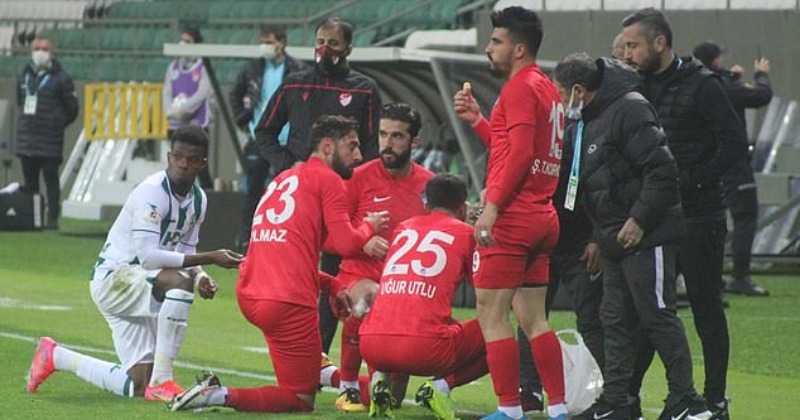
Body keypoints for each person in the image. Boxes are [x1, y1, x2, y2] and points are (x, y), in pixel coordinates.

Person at [168, 115, 389, 414]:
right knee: (299, 400)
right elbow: (346, 243)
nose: (359, 155)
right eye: (352, 146)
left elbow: (288, 252)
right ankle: (217, 394)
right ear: (327, 146)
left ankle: (323, 370)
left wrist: (332, 284)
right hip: (286, 302)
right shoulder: (329, 180)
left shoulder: (283, 179)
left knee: (305, 367)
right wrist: (369, 226)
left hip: (252, 292)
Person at [27, 126, 244, 401]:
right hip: (114, 279)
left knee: (139, 386)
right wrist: (211, 258)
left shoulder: (199, 200)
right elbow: (149, 257)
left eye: (191, 159)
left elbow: (186, 250)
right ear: (168, 157)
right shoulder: (151, 193)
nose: (183, 164)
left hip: (141, 283)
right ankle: (163, 380)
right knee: (179, 281)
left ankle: (55, 356)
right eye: (178, 157)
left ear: (203, 164)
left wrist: (201, 276)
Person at [552, 53, 710, 420]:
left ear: (578, 90)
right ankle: (618, 402)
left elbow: (661, 170)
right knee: (614, 320)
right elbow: (584, 185)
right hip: (612, 238)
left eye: (560, 93)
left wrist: (639, 220)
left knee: (656, 315)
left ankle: (688, 401)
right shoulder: (585, 122)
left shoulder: (630, 108)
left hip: (646, 236)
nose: (559, 103)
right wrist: (597, 234)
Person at [622, 9, 748, 420]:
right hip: (653, 216)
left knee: (705, 308)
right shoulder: (635, 86)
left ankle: (714, 400)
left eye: (634, 45)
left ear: (660, 42)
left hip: (699, 215)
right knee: (648, 311)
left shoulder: (703, 85)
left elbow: (733, 143)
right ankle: (627, 397)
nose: (628, 53)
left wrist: (693, 182)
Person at [453, 6, 568, 420]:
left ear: (519, 49)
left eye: (496, 41)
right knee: (534, 318)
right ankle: (559, 408)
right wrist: (479, 121)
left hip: (514, 218)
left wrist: (492, 208)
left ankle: (509, 409)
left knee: (491, 313)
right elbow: (517, 149)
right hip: (542, 215)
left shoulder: (520, 88)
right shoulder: (546, 88)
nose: (489, 48)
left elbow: (519, 155)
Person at [254, 17, 383, 358]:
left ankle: (323, 354)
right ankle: (300, 347)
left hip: (343, 196)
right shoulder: (294, 84)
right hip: (300, 197)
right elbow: (264, 131)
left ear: (348, 49)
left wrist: (358, 186)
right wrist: (287, 166)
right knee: (301, 269)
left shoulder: (365, 89)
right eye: (320, 42)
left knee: (337, 272)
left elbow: (372, 147)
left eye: (333, 44)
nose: (325, 50)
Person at [328, 102, 433, 412]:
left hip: (403, 288)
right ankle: (347, 387)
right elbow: (328, 236)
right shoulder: (356, 178)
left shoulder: (430, 186)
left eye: (397, 136)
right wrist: (362, 241)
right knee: (368, 299)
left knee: (393, 400)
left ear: (414, 141)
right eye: (383, 134)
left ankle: (329, 375)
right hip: (356, 279)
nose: (387, 143)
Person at [359, 173, 488, 420]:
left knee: (389, 315)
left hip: (372, 345)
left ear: (427, 204)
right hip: (424, 348)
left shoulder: (403, 228)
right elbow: (484, 291)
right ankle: (440, 388)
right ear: (462, 208)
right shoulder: (465, 233)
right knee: (497, 333)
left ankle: (377, 380)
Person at [693, 41, 772, 297]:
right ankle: (740, 276)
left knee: (709, 221)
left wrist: (734, 78)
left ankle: (709, 277)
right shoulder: (722, 86)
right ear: (715, 61)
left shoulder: (699, 84)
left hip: (709, 163)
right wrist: (761, 75)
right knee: (745, 216)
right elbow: (761, 96)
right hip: (734, 165)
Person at [229, 25, 306, 250]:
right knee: (253, 190)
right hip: (260, 138)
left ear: (281, 43)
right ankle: (247, 239)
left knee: (290, 191)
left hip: (288, 140)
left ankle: (288, 238)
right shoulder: (253, 68)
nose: (265, 46)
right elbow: (235, 94)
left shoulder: (297, 69)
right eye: (262, 42)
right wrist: (242, 119)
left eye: (269, 42)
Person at [15, 35, 79, 230]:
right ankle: (33, 219)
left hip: (50, 139)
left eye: (44, 49)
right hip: (27, 137)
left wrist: (56, 123)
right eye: (37, 48)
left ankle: (52, 218)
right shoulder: (24, 75)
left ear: (52, 52)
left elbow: (72, 109)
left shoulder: (62, 78)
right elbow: (20, 101)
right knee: (30, 183)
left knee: (51, 181)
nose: (40, 52)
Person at [162, 27, 213, 189]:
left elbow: (202, 94)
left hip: (197, 125)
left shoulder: (203, 67)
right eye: (182, 40)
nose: (183, 44)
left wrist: (183, 110)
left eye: (188, 41)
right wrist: (170, 111)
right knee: (175, 168)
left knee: (200, 168)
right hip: (176, 125)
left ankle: (207, 197)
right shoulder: (173, 67)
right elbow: (167, 92)